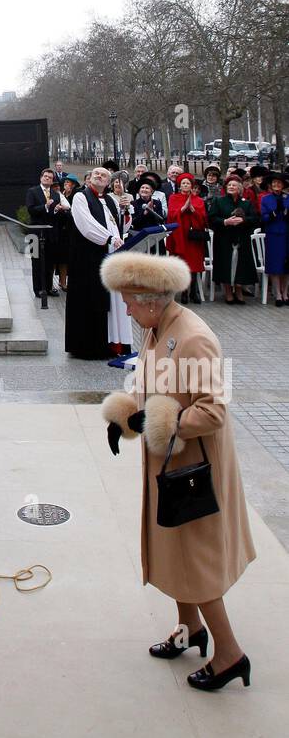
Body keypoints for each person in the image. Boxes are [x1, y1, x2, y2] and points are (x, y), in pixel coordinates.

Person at [101, 251, 255, 691]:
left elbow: (214, 411)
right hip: (171, 465)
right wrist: (125, 417)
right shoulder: (156, 329)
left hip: (195, 470)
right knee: (176, 549)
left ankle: (230, 655)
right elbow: (150, 392)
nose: (125, 308)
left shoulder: (193, 337)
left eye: (128, 300)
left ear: (149, 298)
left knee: (197, 561)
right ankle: (191, 629)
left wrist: (155, 423)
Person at [65, 165, 132, 359]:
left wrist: (126, 212)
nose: (99, 176)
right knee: (91, 300)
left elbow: (117, 225)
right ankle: (90, 347)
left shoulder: (110, 200)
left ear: (108, 182)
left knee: (109, 300)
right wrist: (109, 238)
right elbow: (86, 224)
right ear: (90, 178)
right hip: (88, 257)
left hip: (109, 255)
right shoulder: (81, 197)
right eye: (96, 174)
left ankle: (113, 343)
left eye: (104, 175)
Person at [207, 175, 258, 304]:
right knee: (225, 264)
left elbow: (255, 219)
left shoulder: (246, 203)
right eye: (229, 185)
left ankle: (239, 289)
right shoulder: (219, 201)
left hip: (241, 238)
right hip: (224, 238)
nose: (231, 187)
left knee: (241, 265)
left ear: (240, 188)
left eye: (234, 185)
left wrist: (243, 220)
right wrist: (225, 221)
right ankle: (228, 291)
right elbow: (211, 218)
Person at [166, 172, 208, 303]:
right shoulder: (174, 198)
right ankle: (184, 292)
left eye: (188, 183)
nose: (185, 185)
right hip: (180, 236)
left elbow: (204, 219)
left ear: (192, 186)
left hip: (194, 237)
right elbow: (171, 216)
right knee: (183, 263)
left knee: (194, 264)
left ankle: (193, 291)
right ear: (179, 185)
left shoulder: (198, 200)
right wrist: (183, 209)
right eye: (183, 183)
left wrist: (194, 212)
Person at [26, 167, 67, 297]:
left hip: (51, 233)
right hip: (36, 232)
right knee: (37, 261)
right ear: (41, 178)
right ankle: (38, 289)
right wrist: (45, 206)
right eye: (45, 177)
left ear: (52, 180)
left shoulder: (55, 194)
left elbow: (56, 216)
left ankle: (49, 287)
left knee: (50, 262)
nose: (47, 179)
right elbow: (31, 210)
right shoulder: (32, 191)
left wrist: (57, 210)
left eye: (50, 178)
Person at [260, 171, 289, 305]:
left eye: (279, 183)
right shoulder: (266, 199)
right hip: (273, 234)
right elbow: (264, 217)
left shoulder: (287, 198)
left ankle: (285, 293)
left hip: (287, 233)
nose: (276, 185)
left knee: (286, 265)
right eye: (274, 183)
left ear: (283, 185)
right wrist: (272, 214)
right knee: (275, 264)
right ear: (271, 185)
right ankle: (277, 294)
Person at [55, 175, 81, 290]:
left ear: (73, 185)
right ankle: (62, 281)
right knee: (61, 258)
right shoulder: (60, 195)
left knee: (69, 258)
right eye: (65, 182)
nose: (66, 184)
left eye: (68, 182)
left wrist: (66, 210)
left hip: (72, 231)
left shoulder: (76, 196)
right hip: (61, 231)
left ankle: (67, 281)